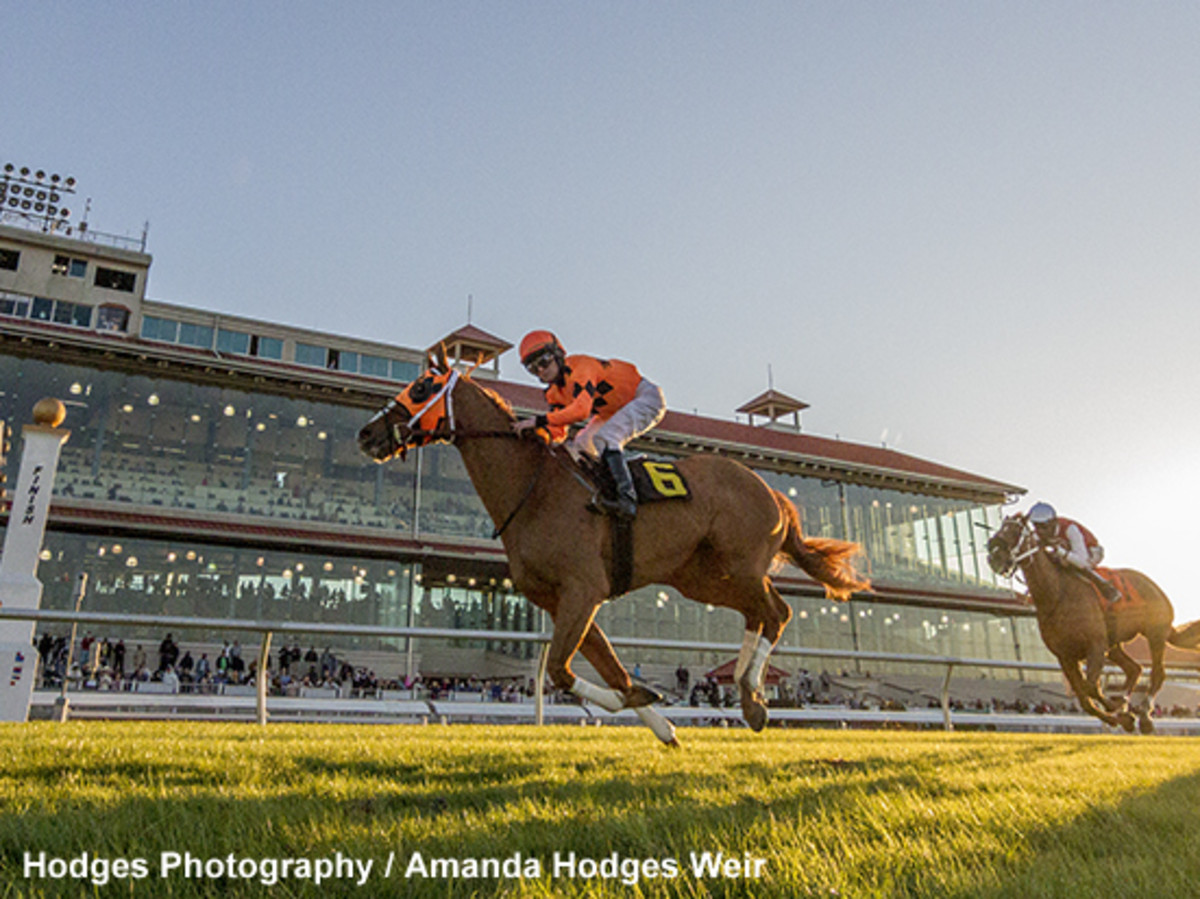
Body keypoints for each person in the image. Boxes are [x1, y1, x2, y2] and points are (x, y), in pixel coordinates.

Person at [513, 330, 666, 518]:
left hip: (643, 397)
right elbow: (558, 431)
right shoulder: (554, 393)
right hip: (610, 412)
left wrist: (539, 420)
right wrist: (538, 435)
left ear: (558, 354)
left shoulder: (580, 366)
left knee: (608, 437)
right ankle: (599, 490)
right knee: (579, 446)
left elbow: (581, 410)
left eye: (543, 361)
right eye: (532, 368)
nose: (540, 371)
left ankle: (627, 499)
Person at [1027, 502, 1121, 603]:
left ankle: (1106, 587)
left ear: (1053, 522)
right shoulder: (1037, 534)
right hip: (1069, 550)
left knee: (1074, 564)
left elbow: (1082, 562)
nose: (1040, 531)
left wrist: (1059, 551)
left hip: (1091, 551)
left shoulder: (1070, 529)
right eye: (1036, 526)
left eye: (1044, 526)